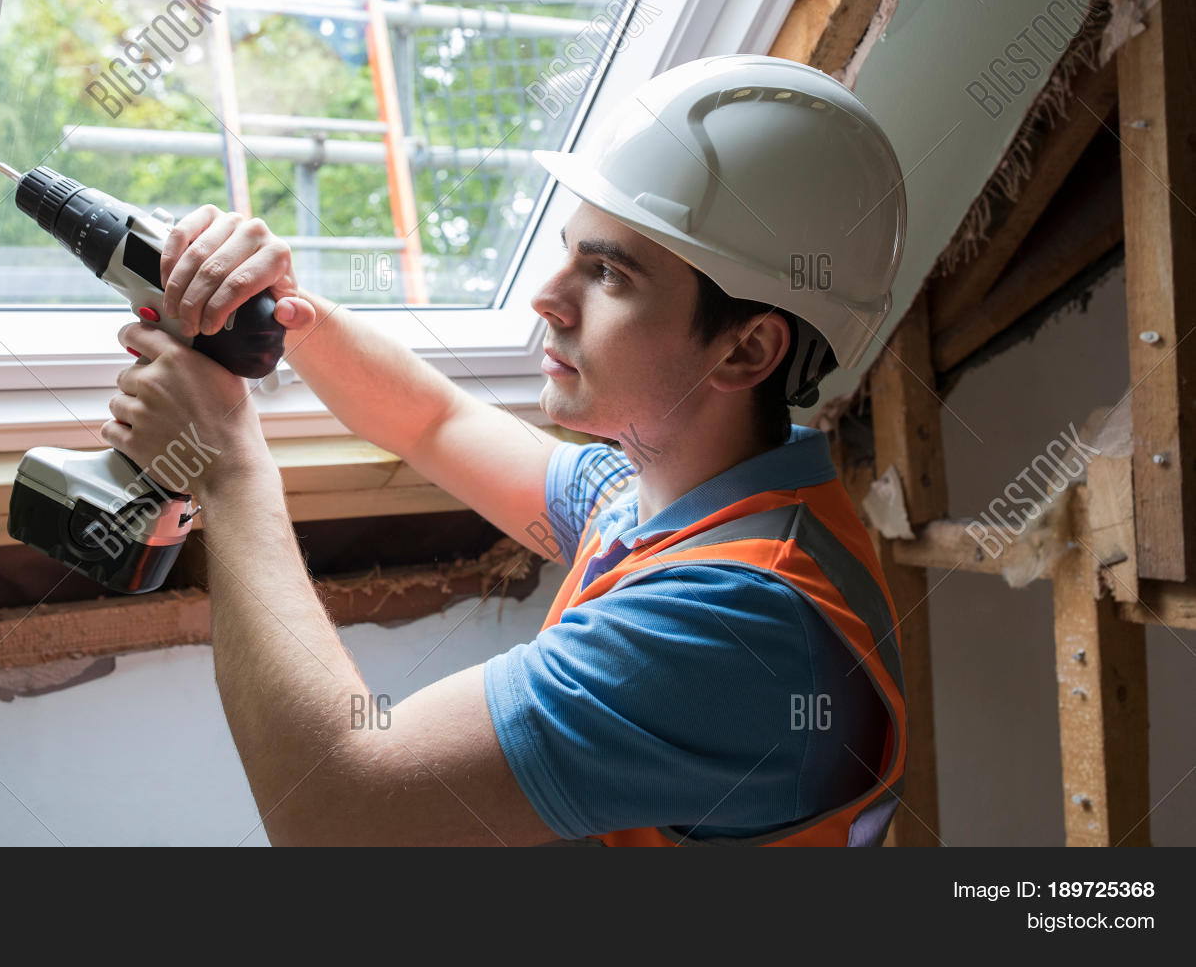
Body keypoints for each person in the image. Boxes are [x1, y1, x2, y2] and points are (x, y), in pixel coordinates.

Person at [104, 54, 909, 846]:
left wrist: (228, 468)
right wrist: (274, 310)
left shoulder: (741, 626)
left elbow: (335, 816)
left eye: (609, 275)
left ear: (745, 351)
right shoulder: (666, 497)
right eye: (570, 251)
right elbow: (435, 421)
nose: (548, 296)